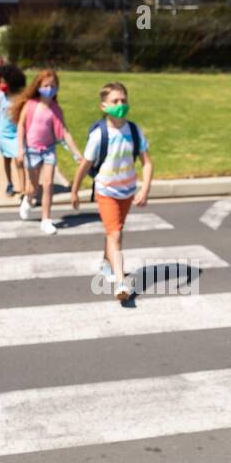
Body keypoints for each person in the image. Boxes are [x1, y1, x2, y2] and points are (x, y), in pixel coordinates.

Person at [70, 82, 154, 301]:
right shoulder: (99, 135)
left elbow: (147, 163)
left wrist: (144, 189)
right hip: (106, 191)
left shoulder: (134, 131)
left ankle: (106, 264)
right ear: (104, 106)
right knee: (115, 234)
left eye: (124, 100)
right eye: (115, 101)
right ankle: (120, 283)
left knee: (114, 232)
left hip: (127, 191)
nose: (121, 104)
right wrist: (74, 190)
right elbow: (86, 164)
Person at [12, 69, 82, 235]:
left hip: (49, 150)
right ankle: (28, 199)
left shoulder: (56, 109)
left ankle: (46, 219)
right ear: (38, 86)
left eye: (53, 86)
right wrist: (21, 148)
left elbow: (64, 132)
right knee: (33, 187)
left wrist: (77, 154)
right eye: (46, 85)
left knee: (48, 184)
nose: (49, 88)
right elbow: (21, 126)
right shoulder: (30, 105)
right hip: (32, 150)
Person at [0, 63, 27, 197]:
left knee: (20, 159)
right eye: (0, 81)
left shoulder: (20, 97)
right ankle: (9, 183)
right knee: (7, 159)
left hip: (17, 132)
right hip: (3, 133)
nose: (2, 84)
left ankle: (23, 188)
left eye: (4, 82)